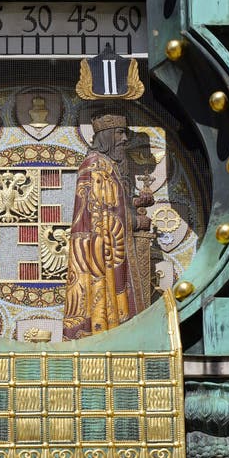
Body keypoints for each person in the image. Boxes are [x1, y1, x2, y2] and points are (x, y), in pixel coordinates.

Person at [62, 113, 152, 340]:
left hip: (108, 245)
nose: (124, 139)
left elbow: (112, 204)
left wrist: (136, 203)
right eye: (120, 133)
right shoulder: (95, 165)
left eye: (125, 134)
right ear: (106, 136)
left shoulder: (108, 165)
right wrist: (135, 221)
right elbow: (99, 214)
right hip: (99, 250)